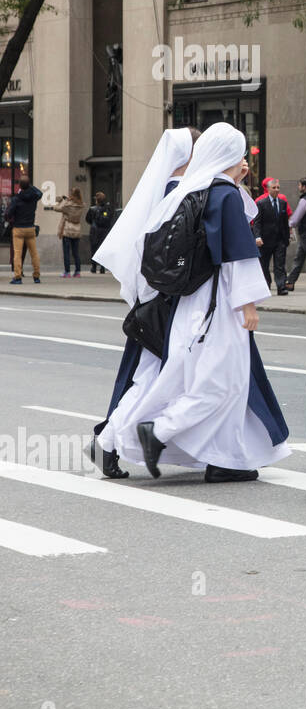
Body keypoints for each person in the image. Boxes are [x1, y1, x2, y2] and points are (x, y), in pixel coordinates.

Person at [100, 123, 293, 483]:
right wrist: (249, 304)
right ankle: (157, 434)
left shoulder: (190, 191)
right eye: (240, 154)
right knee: (219, 383)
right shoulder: (223, 194)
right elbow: (237, 255)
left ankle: (224, 460)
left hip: (190, 303)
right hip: (218, 304)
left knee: (198, 381)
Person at [88, 128, 198, 479]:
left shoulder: (162, 190)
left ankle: (117, 441)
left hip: (155, 298)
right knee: (150, 376)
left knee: (151, 376)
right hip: (168, 301)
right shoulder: (178, 194)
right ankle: (109, 441)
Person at [253, 176, 290, 295]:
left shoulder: (283, 203)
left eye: (278, 187)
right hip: (265, 239)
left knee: (280, 264)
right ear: (268, 189)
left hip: (280, 239)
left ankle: (281, 286)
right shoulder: (261, 203)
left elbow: (285, 222)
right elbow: (257, 222)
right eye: (274, 188)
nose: (276, 190)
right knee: (264, 264)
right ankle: (266, 285)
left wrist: (286, 238)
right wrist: (257, 237)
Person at [6, 176, 42, 284]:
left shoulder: (16, 199)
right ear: (29, 185)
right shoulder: (34, 197)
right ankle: (36, 276)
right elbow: (40, 193)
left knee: (17, 254)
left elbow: (8, 213)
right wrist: (29, 185)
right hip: (30, 228)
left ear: (20, 186)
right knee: (34, 253)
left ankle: (17, 276)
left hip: (18, 228)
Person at [46, 188, 87, 277]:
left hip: (67, 230)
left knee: (66, 252)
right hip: (76, 229)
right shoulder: (81, 205)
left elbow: (57, 208)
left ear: (72, 195)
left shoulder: (68, 206)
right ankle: (77, 271)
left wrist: (62, 201)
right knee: (76, 252)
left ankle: (67, 272)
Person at [86, 192, 113, 273]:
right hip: (104, 231)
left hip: (95, 231)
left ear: (97, 200)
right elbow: (110, 218)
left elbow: (87, 219)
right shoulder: (108, 208)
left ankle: (94, 267)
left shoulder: (92, 209)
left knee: (94, 248)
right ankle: (102, 267)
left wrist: (93, 223)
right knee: (103, 249)